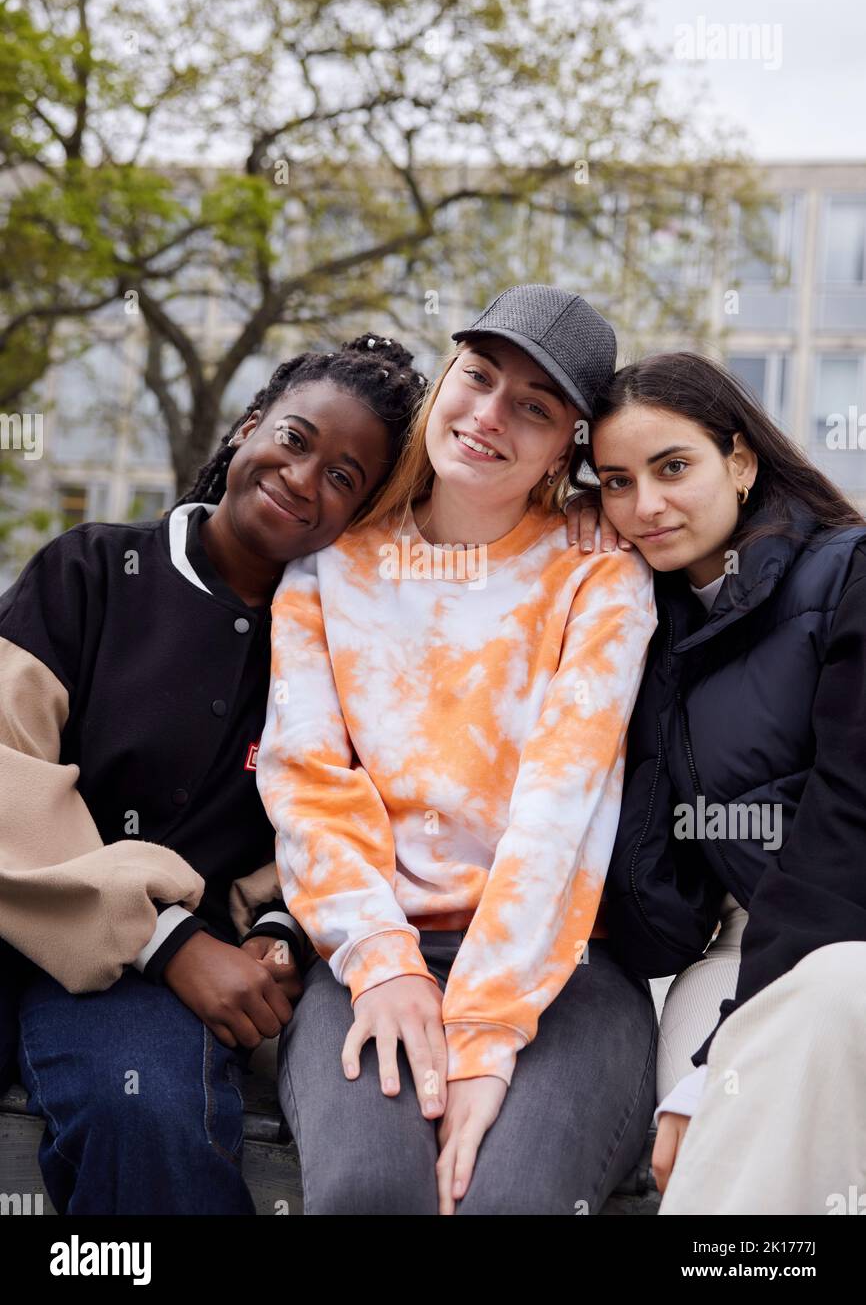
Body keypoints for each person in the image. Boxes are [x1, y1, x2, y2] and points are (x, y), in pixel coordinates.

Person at [0, 334, 429, 1214]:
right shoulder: (90, 573)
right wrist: (165, 938)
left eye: (345, 477)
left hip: (139, 997)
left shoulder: (338, 648)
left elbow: (335, 819)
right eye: (297, 438)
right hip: (28, 930)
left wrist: (277, 932)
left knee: (150, 1115)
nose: (305, 478)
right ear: (247, 429)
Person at [256, 284, 660, 1215]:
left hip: (562, 968)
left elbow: (565, 807)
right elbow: (310, 782)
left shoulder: (599, 573)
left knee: (508, 1201)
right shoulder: (330, 566)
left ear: (570, 445)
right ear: (445, 381)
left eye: (534, 407)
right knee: (369, 1193)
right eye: (477, 379)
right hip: (375, 949)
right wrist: (384, 961)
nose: (487, 417)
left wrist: (483, 1032)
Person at [585, 351, 866, 1215]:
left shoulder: (850, 571)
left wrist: (721, 1056)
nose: (647, 506)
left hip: (836, 934)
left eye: (674, 467)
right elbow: (658, 917)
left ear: (740, 462)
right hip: (744, 944)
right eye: (616, 482)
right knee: (706, 1152)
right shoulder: (644, 619)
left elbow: (846, 827)